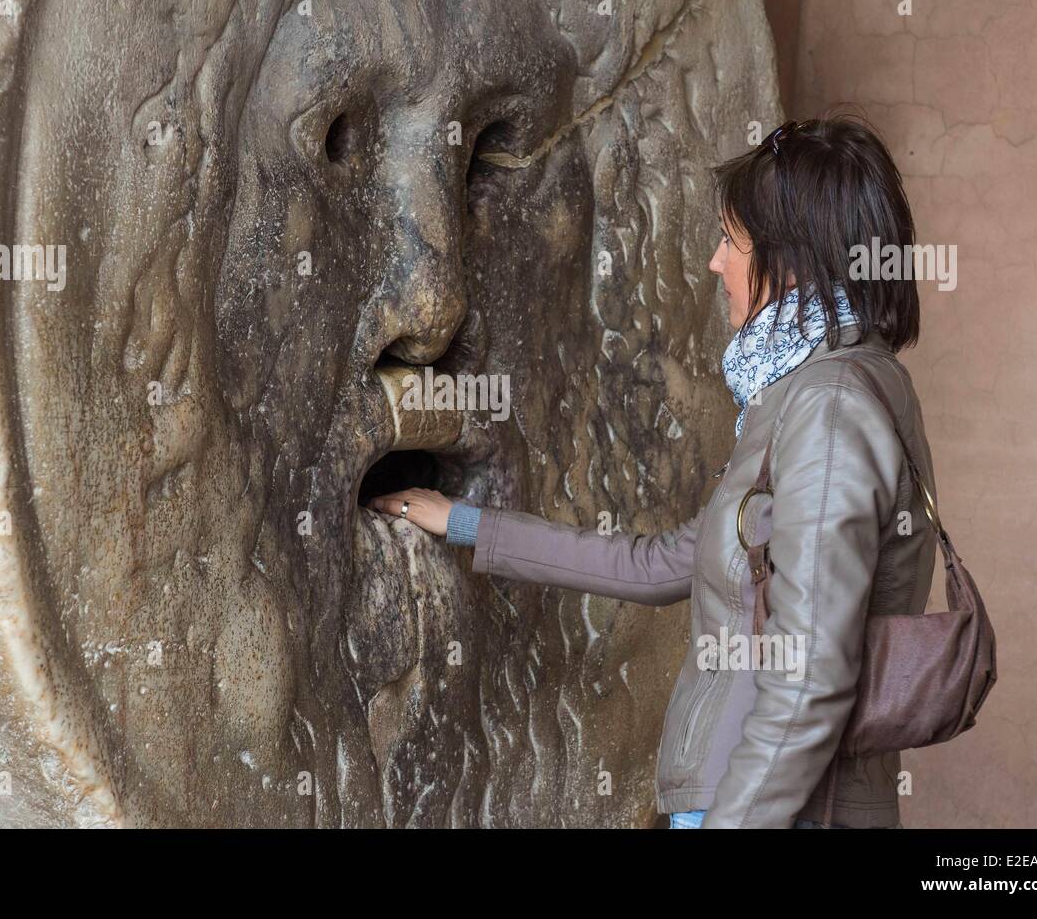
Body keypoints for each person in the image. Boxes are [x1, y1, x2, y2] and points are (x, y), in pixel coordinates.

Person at [371, 112, 932, 829]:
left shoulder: (829, 409)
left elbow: (812, 675)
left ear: (790, 264)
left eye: (732, 241)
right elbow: (663, 561)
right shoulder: (808, 395)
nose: (713, 263)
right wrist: (466, 521)